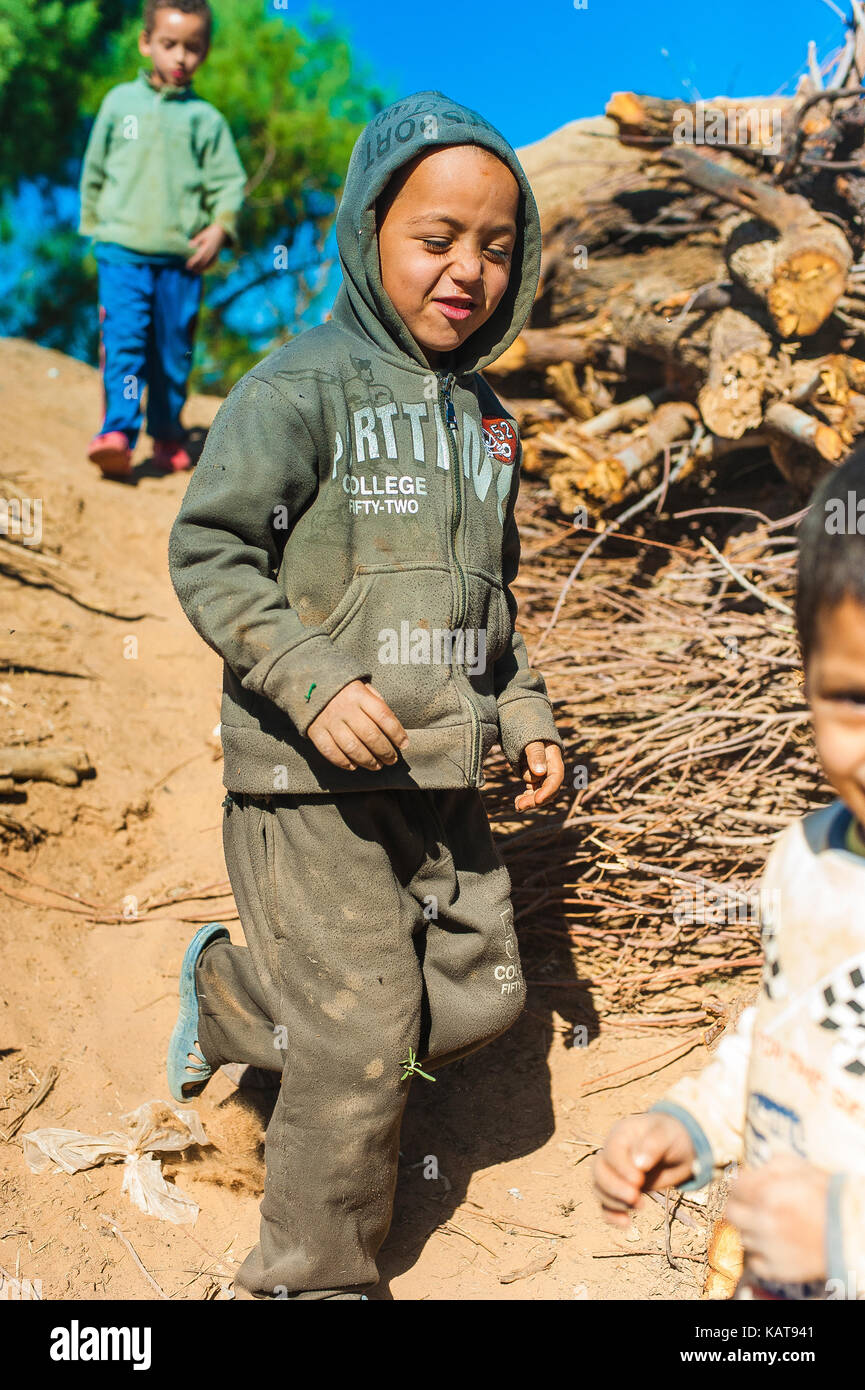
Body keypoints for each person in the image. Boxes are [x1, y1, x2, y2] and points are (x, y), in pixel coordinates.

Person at [166, 91, 565, 1300]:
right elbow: (211, 551)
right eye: (436, 236)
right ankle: (310, 1275)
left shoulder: (490, 429)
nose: (468, 270)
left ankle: (227, 996)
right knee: (356, 1041)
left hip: (436, 769)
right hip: (307, 778)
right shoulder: (302, 387)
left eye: (497, 247)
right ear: (365, 228)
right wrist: (311, 675)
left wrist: (527, 712)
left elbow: (491, 601)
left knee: (482, 992)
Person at [593, 445, 865, 1300]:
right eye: (854, 698)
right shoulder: (807, 858)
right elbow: (783, 1032)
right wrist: (697, 1122)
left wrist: (839, 1232)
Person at [79, 0, 245, 479]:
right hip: (122, 252)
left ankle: (168, 434)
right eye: (169, 44)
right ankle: (117, 433)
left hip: (181, 262)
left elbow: (228, 183)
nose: (179, 57)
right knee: (125, 340)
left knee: (172, 354)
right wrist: (97, 226)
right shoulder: (119, 104)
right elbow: (94, 169)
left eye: (192, 48)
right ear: (145, 42)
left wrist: (220, 228)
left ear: (205, 52)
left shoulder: (205, 121)